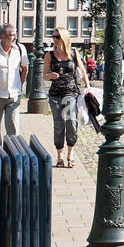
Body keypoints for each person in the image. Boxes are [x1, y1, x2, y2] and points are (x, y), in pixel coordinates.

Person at [44, 26, 86, 168]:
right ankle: (60, 156)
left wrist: (88, 87)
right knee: (59, 124)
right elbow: (44, 75)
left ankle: (70, 154)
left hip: (71, 92)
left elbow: (82, 70)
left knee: (71, 122)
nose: (54, 39)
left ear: (64, 38)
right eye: (53, 37)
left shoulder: (74, 53)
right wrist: (50, 75)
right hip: (55, 94)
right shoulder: (49, 55)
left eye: (57, 37)